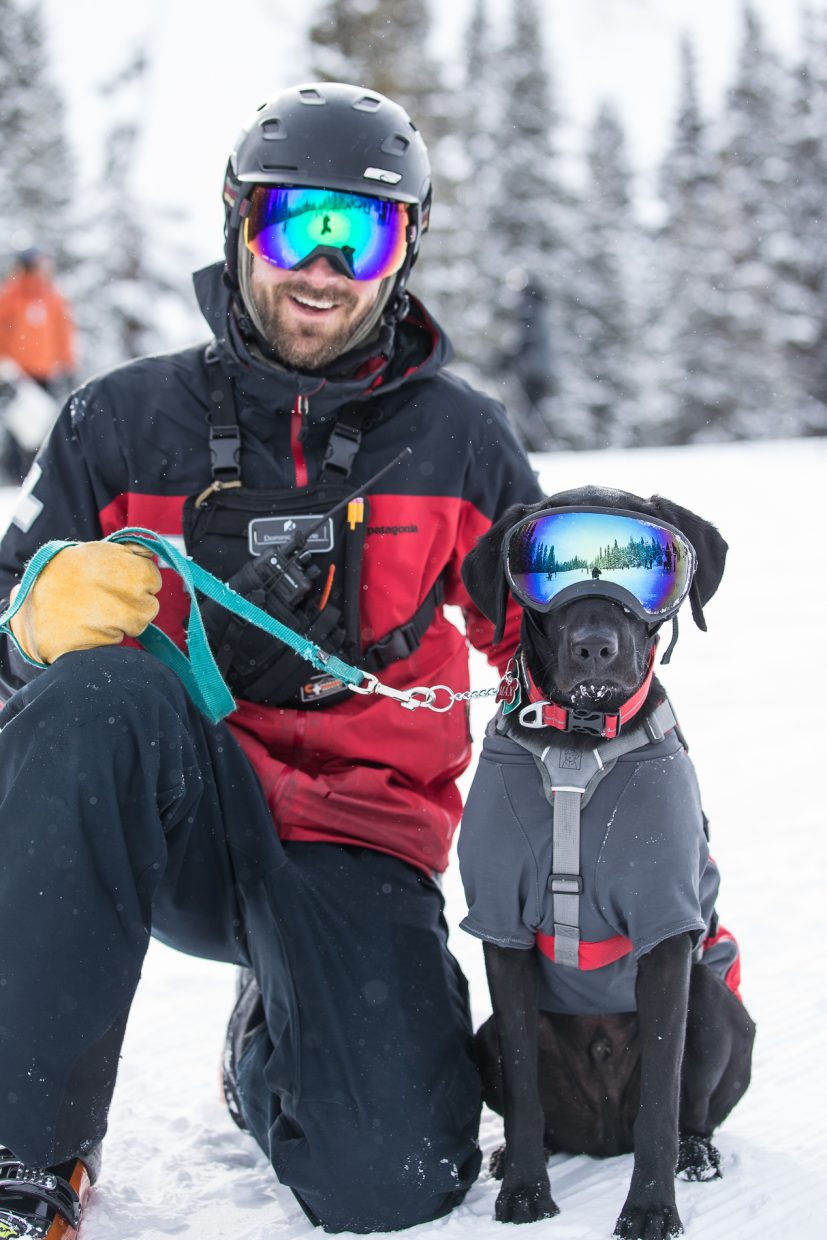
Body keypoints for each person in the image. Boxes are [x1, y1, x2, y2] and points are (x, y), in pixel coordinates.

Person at [0, 82, 542, 1237]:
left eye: (365, 233)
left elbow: (555, 665)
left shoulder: (458, 439)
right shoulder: (118, 422)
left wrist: (657, 903)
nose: (325, 267)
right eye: (300, 223)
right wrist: (29, 622)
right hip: (174, 818)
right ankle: (25, 1146)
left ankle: (270, 1038)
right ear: (242, 221)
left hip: (360, 833)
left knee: (391, 1180)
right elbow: (6, 624)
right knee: (91, 694)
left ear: (406, 251)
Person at [0, 246, 76, 479]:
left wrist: (67, 364)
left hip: (45, 373)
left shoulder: (53, 297)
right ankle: (14, 476)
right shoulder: (10, 296)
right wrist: (5, 364)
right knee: (17, 425)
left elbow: (63, 332)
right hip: (15, 374)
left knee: (41, 425)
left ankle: (35, 474)